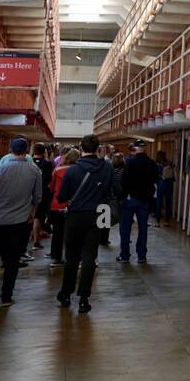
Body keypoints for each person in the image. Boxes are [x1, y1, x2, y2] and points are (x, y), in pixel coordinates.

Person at [0, 136, 42, 306]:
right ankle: (6, 296)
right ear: (27, 151)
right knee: (12, 260)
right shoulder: (34, 171)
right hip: (20, 222)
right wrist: (32, 214)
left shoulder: (1, 170)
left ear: (11, 150)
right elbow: (37, 197)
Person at [56, 134, 115, 313]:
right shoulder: (107, 168)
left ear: (81, 149)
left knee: (72, 257)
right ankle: (84, 298)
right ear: (98, 149)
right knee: (90, 255)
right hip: (98, 214)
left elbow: (61, 198)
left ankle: (66, 293)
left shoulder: (72, 170)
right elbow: (117, 190)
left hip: (75, 216)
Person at [118, 140, 158, 263]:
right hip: (145, 200)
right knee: (143, 228)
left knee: (125, 229)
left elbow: (123, 181)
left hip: (130, 199)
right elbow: (155, 180)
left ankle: (125, 255)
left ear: (135, 148)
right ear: (144, 148)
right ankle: (141, 256)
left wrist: (123, 196)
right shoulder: (152, 164)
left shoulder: (130, 163)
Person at [48, 149, 79, 267]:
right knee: (74, 233)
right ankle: (73, 257)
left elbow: (50, 188)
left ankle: (56, 258)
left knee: (57, 233)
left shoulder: (57, 170)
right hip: (73, 205)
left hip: (57, 205)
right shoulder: (79, 171)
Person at [31, 143, 55, 251]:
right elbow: (50, 180)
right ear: (44, 152)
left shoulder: (28, 162)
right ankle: (36, 240)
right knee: (38, 217)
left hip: (28, 193)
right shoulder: (48, 164)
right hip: (42, 193)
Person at [155, 151, 175, 226]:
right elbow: (173, 175)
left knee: (158, 203)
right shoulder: (169, 163)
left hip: (160, 184)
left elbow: (155, 175)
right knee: (168, 203)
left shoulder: (157, 164)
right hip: (169, 185)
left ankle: (158, 221)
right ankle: (167, 221)